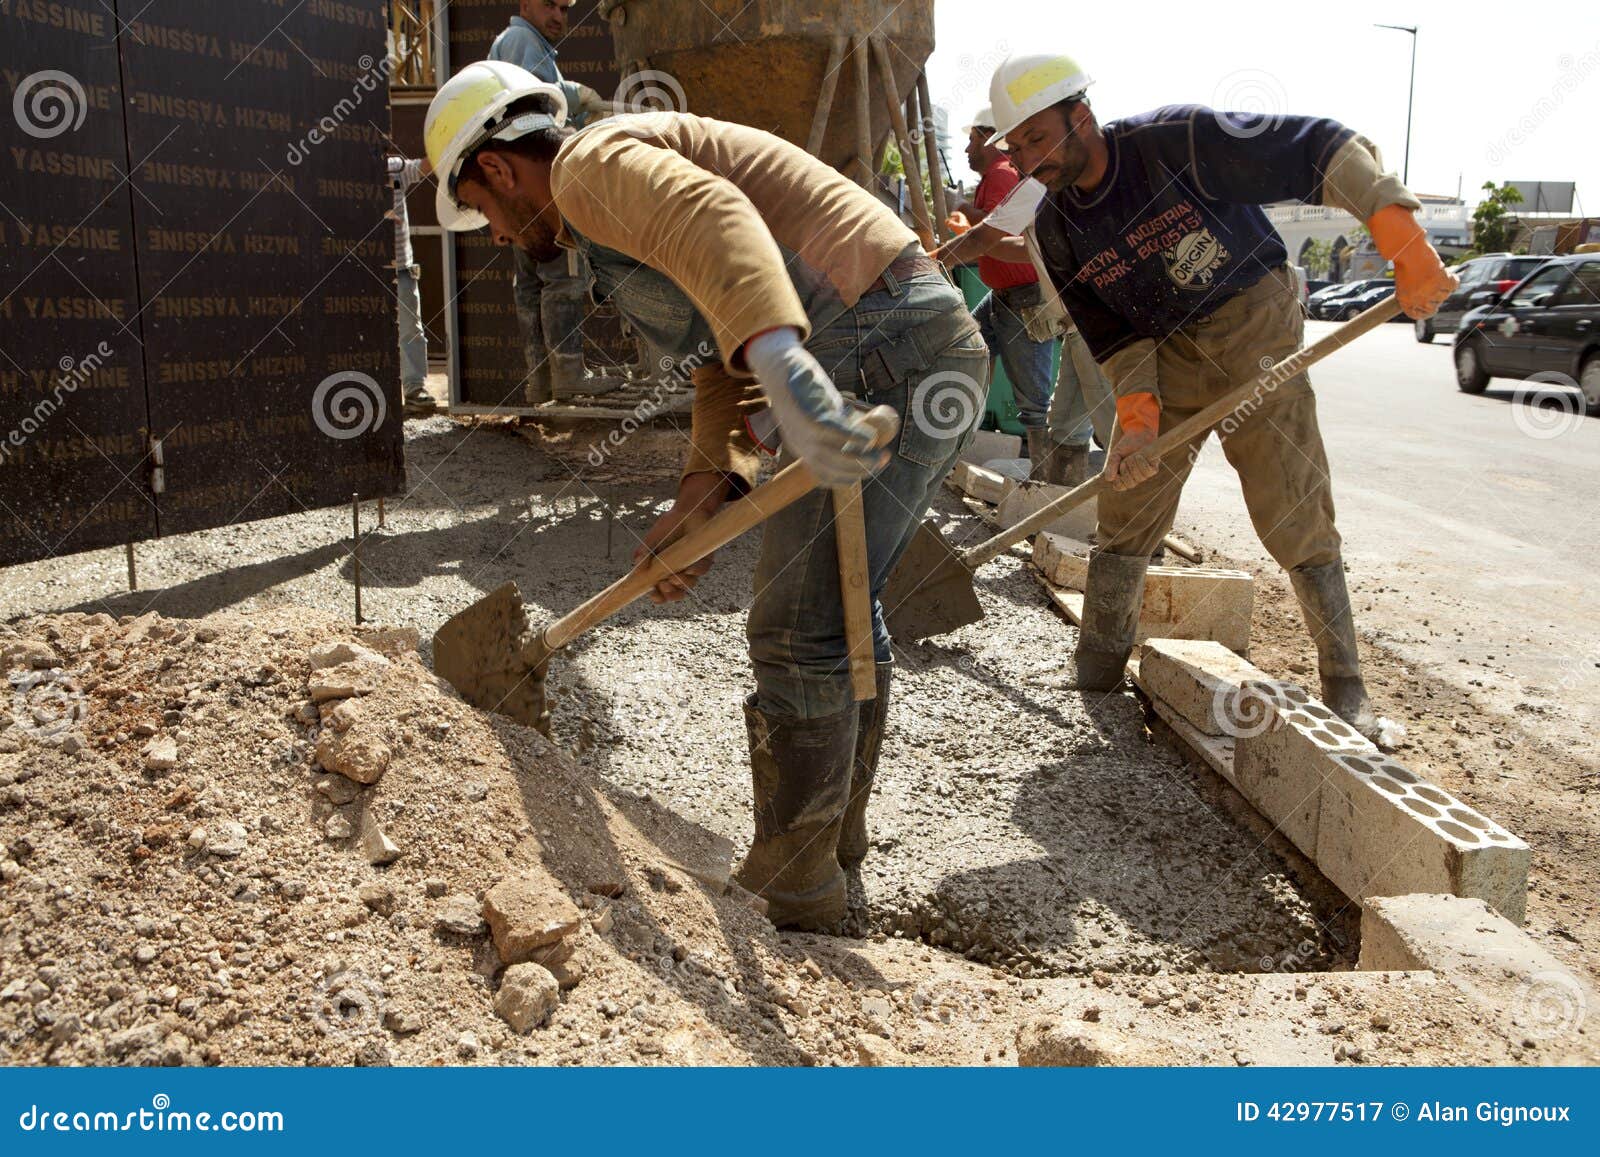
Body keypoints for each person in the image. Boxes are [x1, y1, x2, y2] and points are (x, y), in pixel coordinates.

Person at [424, 62, 988, 931]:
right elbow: (721, 351)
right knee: (839, 608)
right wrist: (700, 499)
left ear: (498, 166)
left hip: (873, 342)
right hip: (911, 345)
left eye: (482, 209)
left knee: (795, 628)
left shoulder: (589, 165)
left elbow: (717, 221)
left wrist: (788, 366)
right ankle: (830, 850)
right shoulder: (607, 205)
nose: (494, 234)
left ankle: (796, 885)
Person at [985, 52, 1456, 740]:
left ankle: (1344, 681)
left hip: (1251, 327)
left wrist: (1401, 238)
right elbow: (1114, 338)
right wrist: (1138, 422)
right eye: (1018, 147)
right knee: (1128, 500)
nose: (1030, 160)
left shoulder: (1174, 144)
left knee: (1289, 499)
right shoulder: (1056, 230)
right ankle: (1098, 663)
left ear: (1081, 115)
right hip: (1163, 350)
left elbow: (1320, 147)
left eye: (1039, 137)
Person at [936, 146, 1112, 485]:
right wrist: (962, 238)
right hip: (1076, 322)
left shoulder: (1034, 186)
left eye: (1018, 147)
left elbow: (986, 239)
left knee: (1113, 424)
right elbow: (1018, 247)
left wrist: (937, 256)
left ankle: (1133, 505)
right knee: (1067, 425)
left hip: (1096, 321)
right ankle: (1054, 499)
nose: (1011, 158)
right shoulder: (1037, 187)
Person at [487, 1, 605, 402]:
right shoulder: (523, 39)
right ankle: (569, 375)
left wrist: (573, 98)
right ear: (525, 4)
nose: (558, 16)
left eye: (564, 8)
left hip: (516, 187)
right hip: (539, 184)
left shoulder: (517, 42)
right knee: (562, 277)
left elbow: (537, 97)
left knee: (531, 283)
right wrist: (577, 116)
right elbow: (537, 108)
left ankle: (541, 383)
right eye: (549, 5)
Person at [939, 109, 1060, 480]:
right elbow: (989, 231)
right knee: (967, 351)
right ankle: (960, 437)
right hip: (1004, 295)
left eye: (971, 140)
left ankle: (1044, 475)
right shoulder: (997, 176)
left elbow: (994, 235)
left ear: (987, 138)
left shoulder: (1002, 174)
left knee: (1033, 399)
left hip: (1024, 298)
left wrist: (961, 213)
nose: (966, 150)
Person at [386, 154, 435, 416]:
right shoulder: (343, 173)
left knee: (411, 329)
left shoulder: (395, 167)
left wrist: (447, 143)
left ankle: (415, 389)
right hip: (362, 268)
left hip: (401, 266)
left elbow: (425, 166)